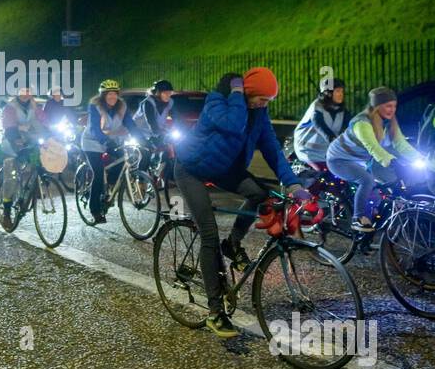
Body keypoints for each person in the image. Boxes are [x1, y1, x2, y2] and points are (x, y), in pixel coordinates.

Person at [174, 67, 309, 339]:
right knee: (209, 235)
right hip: (192, 170)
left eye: (269, 101)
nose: (264, 105)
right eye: (261, 98)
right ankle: (215, 312)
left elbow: (272, 149)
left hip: (225, 169)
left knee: (260, 195)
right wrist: (236, 93)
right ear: (246, 90)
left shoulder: (259, 113)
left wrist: (293, 183)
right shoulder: (217, 101)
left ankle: (233, 244)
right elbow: (233, 124)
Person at [326, 85, 418, 232]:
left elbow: (402, 145)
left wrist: (425, 161)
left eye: (394, 106)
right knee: (366, 180)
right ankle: (358, 218)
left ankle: (368, 230)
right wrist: (392, 160)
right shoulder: (362, 123)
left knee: (384, 187)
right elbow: (373, 147)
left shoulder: (389, 122)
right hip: (339, 159)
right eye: (388, 106)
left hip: (362, 161)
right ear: (376, 106)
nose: (392, 110)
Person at [81, 79, 132, 223]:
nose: (112, 97)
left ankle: (108, 186)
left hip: (112, 141)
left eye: (114, 94)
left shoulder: (122, 106)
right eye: (109, 94)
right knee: (98, 173)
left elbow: (130, 124)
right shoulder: (95, 106)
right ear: (103, 96)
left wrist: (144, 139)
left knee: (123, 161)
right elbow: (94, 128)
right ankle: (95, 209)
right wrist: (106, 142)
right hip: (92, 142)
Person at [1, 85, 47, 219]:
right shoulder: (9, 108)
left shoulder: (34, 106)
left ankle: (35, 186)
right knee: (12, 176)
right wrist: (16, 139)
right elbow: (9, 127)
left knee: (39, 160)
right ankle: (7, 210)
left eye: (28, 91)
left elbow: (44, 122)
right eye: (22, 91)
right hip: (12, 142)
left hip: (29, 140)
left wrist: (53, 134)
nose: (25, 94)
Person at [293, 77, 350, 170]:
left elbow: (351, 126)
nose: (341, 95)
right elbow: (319, 124)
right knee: (324, 174)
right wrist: (331, 138)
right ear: (328, 93)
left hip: (326, 152)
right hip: (308, 150)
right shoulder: (317, 107)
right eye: (338, 91)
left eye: (342, 91)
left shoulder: (342, 110)